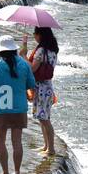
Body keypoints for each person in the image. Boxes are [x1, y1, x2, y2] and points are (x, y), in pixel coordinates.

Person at [0, 36, 37, 174]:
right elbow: (31, 83)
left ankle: (5, 173)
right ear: (14, 50)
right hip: (19, 108)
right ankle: (17, 173)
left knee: (0, 142)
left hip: (0, 109)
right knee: (17, 142)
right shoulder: (24, 65)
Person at [26, 27, 59, 157]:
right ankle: (46, 146)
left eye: (35, 33)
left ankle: (51, 149)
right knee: (43, 118)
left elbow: (33, 69)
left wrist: (23, 57)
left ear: (41, 35)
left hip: (41, 89)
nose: (34, 35)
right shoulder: (52, 51)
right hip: (47, 87)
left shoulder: (41, 51)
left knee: (45, 120)